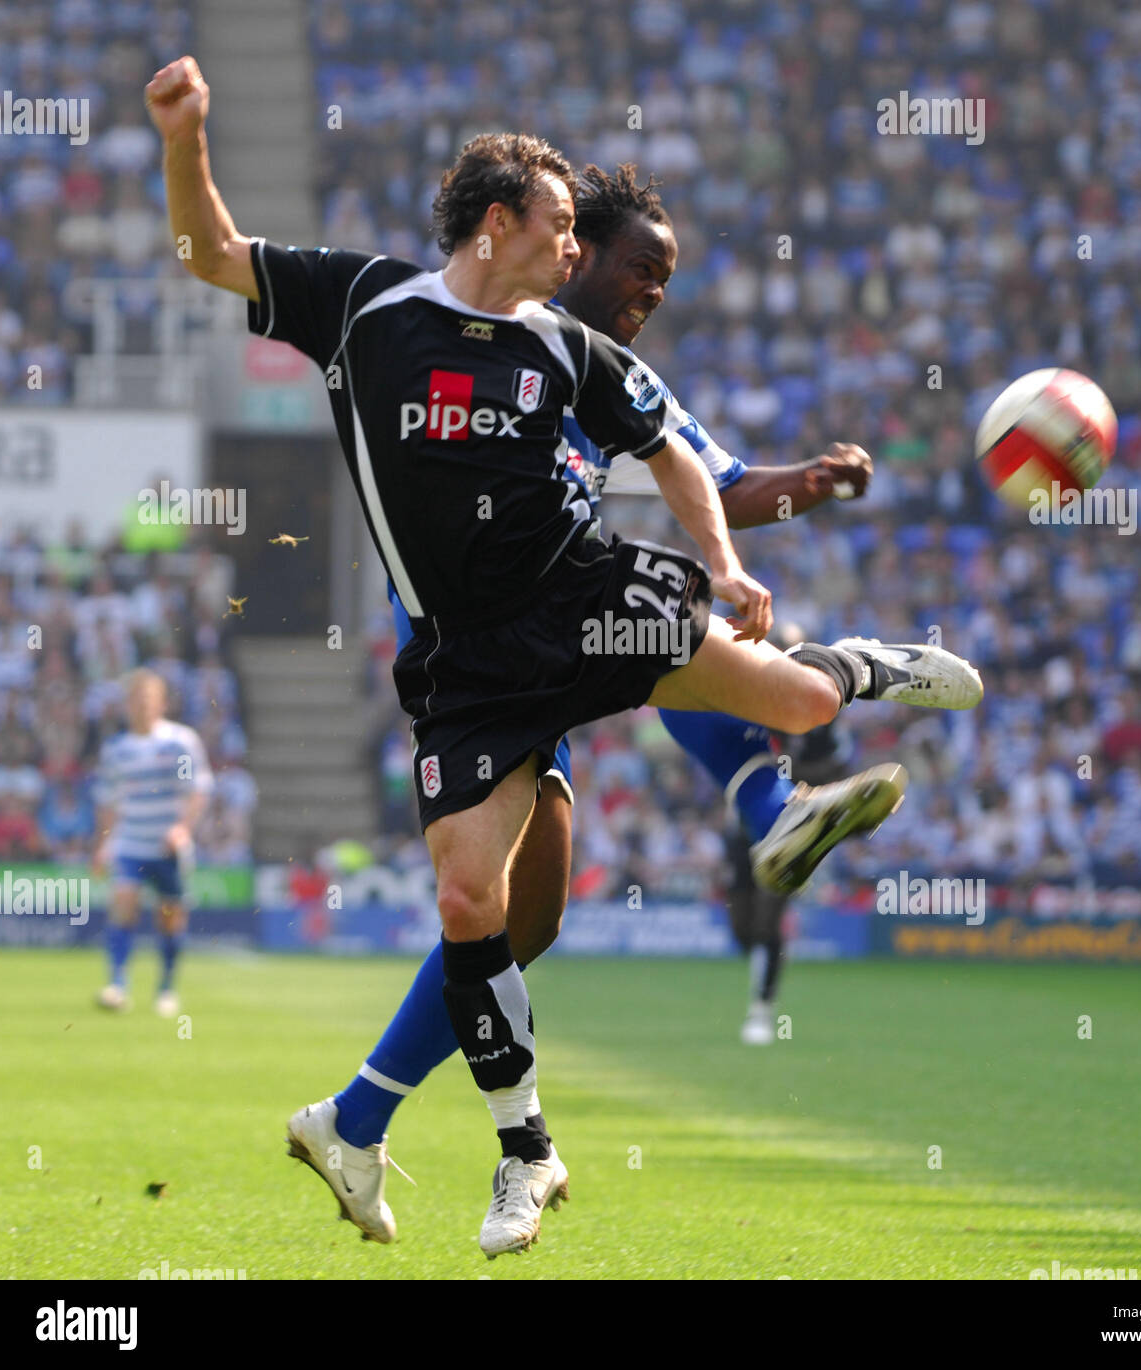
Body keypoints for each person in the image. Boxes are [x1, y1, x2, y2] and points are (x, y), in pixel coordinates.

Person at [146, 55, 976, 1259]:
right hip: (466, 664)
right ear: (505, 224)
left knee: (792, 694)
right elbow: (210, 253)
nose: (594, 260)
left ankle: (837, 708)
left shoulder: (567, 347)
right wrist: (184, 136)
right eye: (575, 234)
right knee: (486, 907)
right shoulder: (365, 304)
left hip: (583, 602)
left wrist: (730, 560)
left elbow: (693, 462)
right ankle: (491, 1143)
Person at [92, 669, 213, 1016]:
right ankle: (117, 985)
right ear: (127, 705)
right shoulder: (116, 750)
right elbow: (108, 801)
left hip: (168, 846)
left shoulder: (180, 742)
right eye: (136, 700)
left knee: (170, 917)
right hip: (130, 842)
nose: (143, 706)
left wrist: (182, 828)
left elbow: (197, 790)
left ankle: (166, 987)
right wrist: (102, 844)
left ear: (161, 703)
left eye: (149, 700)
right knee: (123, 903)